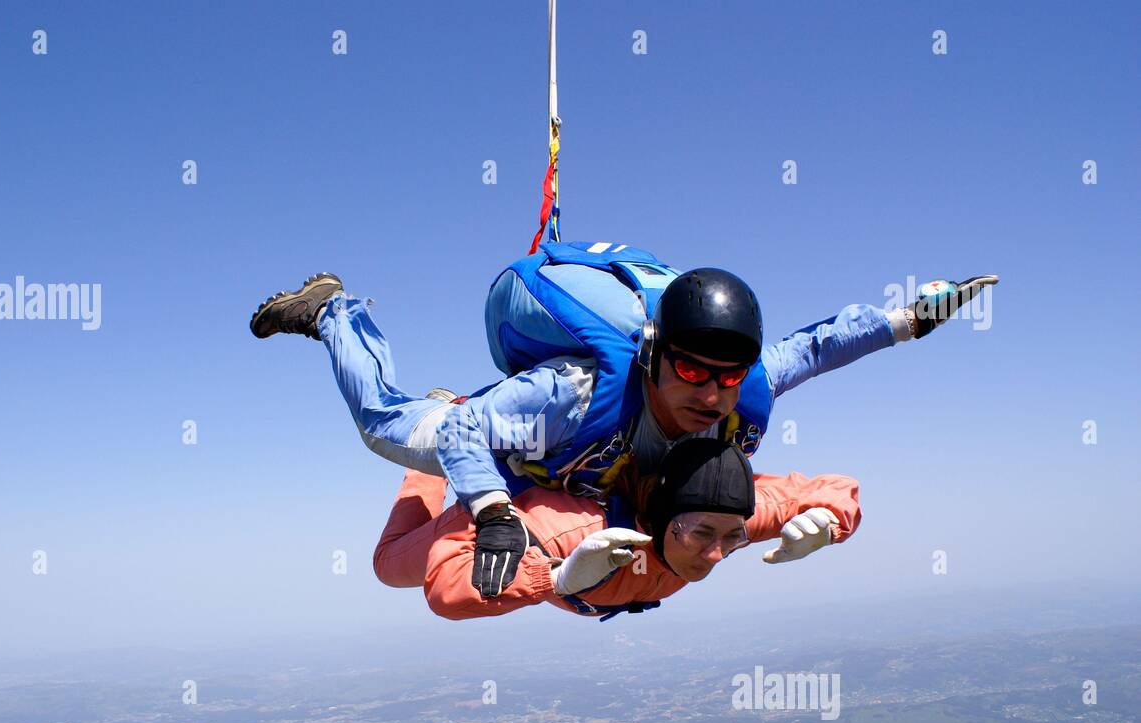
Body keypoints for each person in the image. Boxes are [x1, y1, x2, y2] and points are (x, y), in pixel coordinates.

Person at [249, 245, 993, 598]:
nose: (711, 392)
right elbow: (460, 438)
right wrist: (493, 511)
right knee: (384, 429)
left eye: (727, 374)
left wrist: (908, 319)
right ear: (654, 355)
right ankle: (331, 311)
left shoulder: (744, 390)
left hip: (576, 476)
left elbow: (820, 346)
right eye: (691, 369)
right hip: (515, 437)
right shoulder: (575, 389)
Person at [371, 438, 860, 620]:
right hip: (496, 526)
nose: (715, 554)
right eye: (701, 534)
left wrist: (830, 524)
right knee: (388, 566)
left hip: (584, 579)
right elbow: (447, 588)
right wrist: (554, 578)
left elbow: (838, 489)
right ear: (663, 518)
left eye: (733, 539)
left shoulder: (730, 518)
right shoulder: (571, 533)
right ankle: (435, 455)